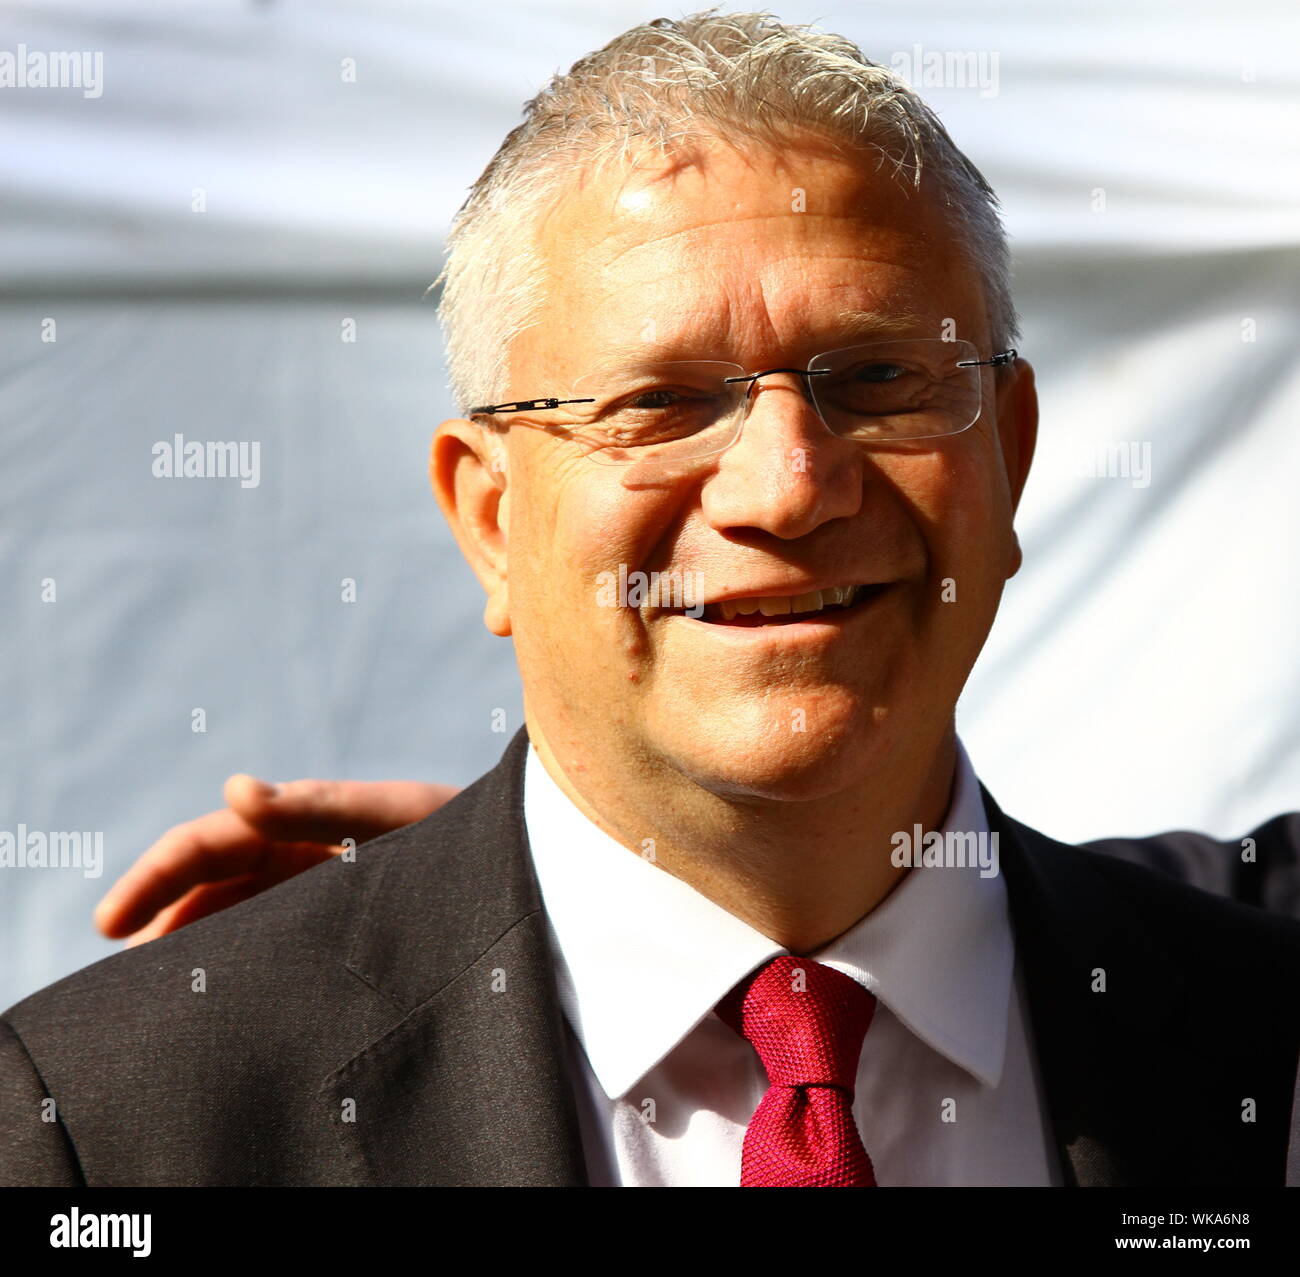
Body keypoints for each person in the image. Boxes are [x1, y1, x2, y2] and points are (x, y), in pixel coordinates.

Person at [3, 9, 1298, 1188]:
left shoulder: (1260, 1044)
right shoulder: (113, 1131)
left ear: (1007, 454)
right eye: (664, 403)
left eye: (878, 376)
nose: (788, 488)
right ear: (491, 515)